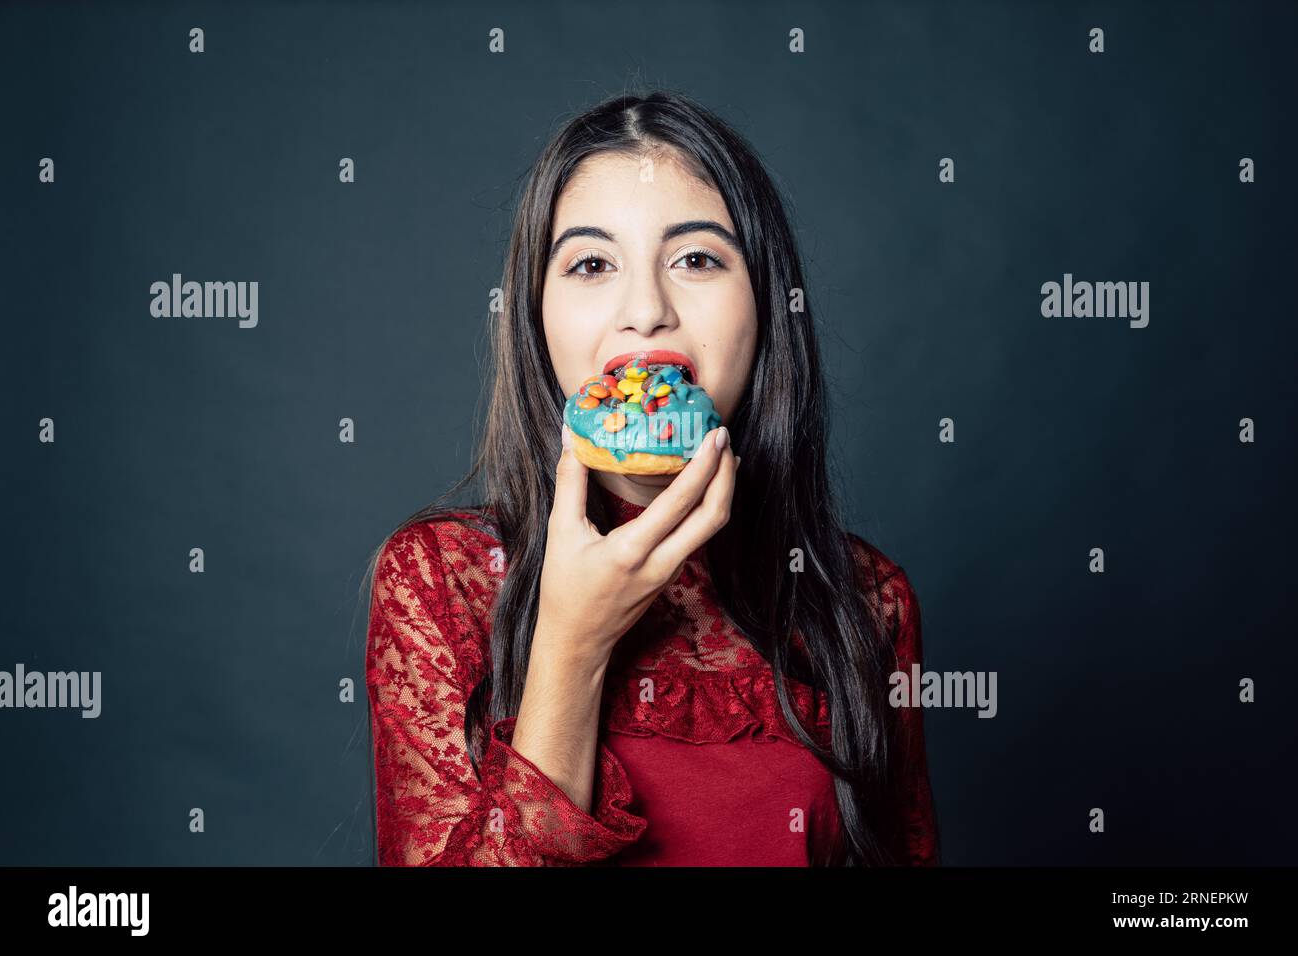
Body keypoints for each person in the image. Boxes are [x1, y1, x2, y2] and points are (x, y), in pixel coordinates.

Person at [362, 90, 940, 866]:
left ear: (766, 304)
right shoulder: (441, 581)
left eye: (697, 259)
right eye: (592, 264)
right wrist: (572, 643)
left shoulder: (865, 601)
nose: (645, 310)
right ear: (535, 316)